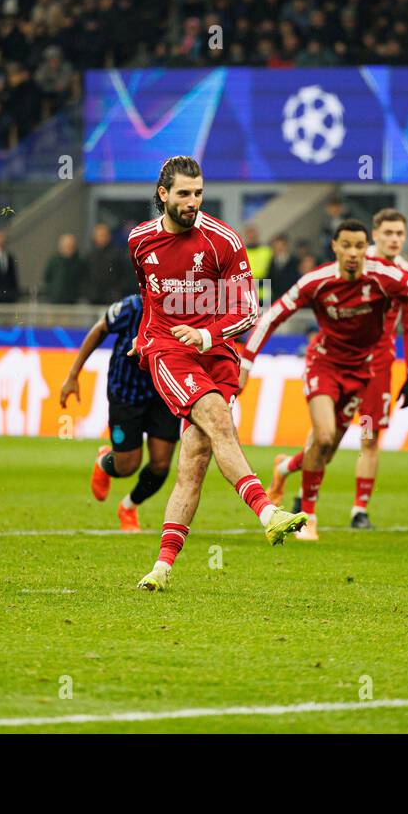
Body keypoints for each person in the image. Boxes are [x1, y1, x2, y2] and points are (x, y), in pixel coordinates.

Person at [129, 156, 305, 591]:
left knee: (195, 459)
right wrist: (142, 336)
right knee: (217, 419)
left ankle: (162, 567)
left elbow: (247, 308)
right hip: (168, 351)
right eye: (185, 194)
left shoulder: (222, 240)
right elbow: (147, 295)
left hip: (215, 351)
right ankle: (269, 512)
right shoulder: (139, 242)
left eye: (199, 193)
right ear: (163, 194)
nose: (193, 202)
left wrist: (206, 336)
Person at [239, 219, 408, 540]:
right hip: (323, 364)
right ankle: (309, 515)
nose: (353, 253)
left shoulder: (389, 278)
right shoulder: (317, 281)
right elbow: (272, 315)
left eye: (358, 246)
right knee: (323, 437)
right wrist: (245, 363)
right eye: (347, 246)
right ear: (335, 247)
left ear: (365, 249)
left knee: (328, 450)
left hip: (363, 372)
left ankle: (286, 469)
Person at [266, 209, 408, 526]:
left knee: (368, 436)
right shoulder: (354, 262)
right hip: (338, 361)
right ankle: (299, 486)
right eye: (388, 233)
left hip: (377, 367)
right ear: (374, 236)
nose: (394, 240)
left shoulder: (407, 277)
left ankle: (359, 510)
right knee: (325, 440)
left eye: (400, 234)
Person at [59, 293, 180, 531]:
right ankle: (105, 461)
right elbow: (100, 329)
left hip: (163, 392)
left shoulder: (185, 308)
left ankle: (128, 507)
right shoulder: (133, 306)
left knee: (161, 464)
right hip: (126, 393)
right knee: (127, 465)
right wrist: (73, 375)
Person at [43, 233, 85, 304]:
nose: (68, 248)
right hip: (55, 299)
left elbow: (83, 279)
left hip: (73, 300)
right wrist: (52, 291)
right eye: (66, 246)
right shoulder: (54, 261)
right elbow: (47, 277)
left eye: (71, 246)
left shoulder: (79, 262)